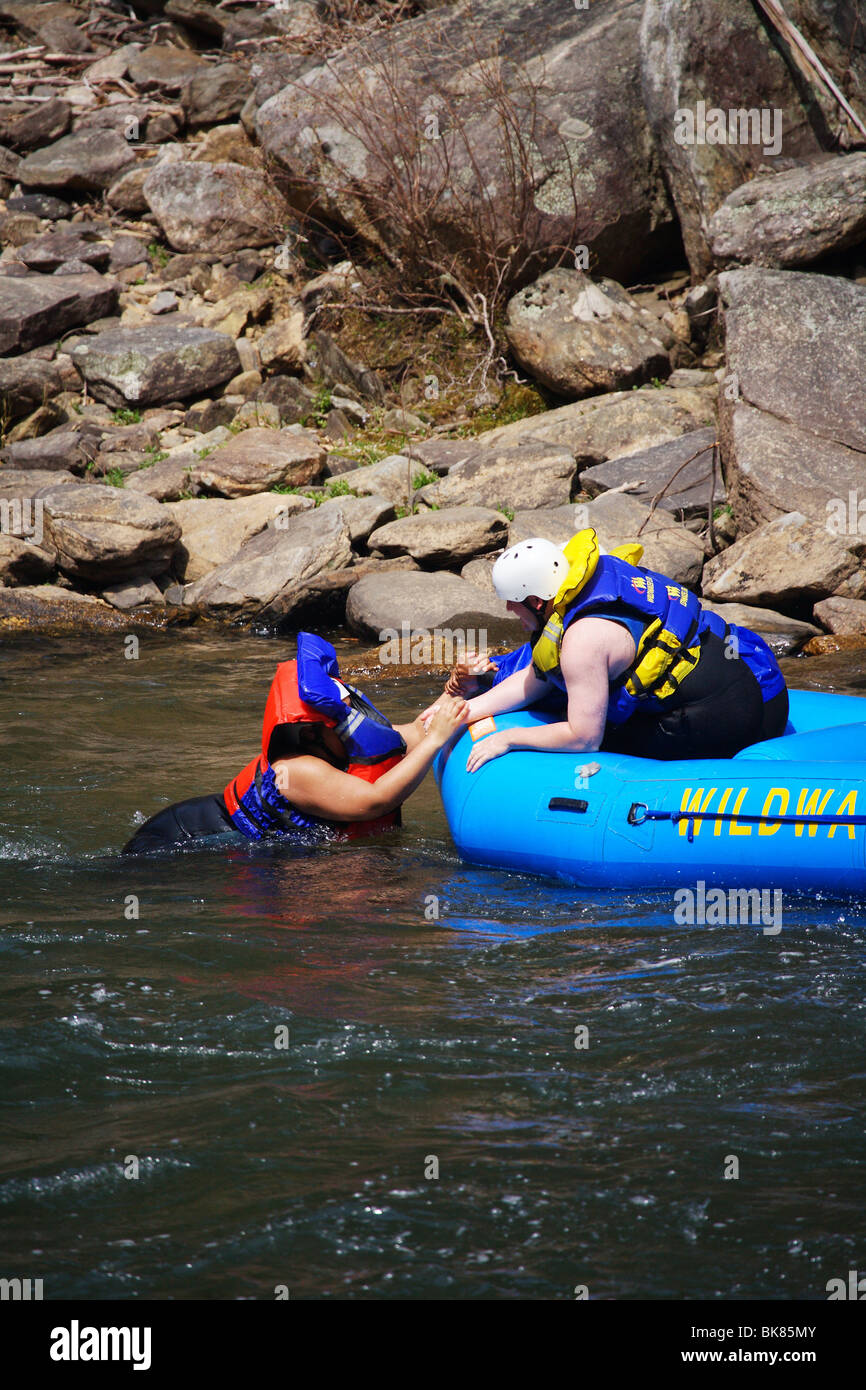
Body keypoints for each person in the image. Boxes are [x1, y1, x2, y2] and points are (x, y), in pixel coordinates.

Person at [442, 528, 788, 772]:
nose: (508, 612)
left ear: (535, 601)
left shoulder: (582, 641)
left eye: (513, 604)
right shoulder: (591, 582)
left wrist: (509, 739)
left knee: (603, 733)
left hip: (726, 722)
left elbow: (584, 739)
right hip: (760, 691)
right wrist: (463, 710)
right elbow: (535, 679)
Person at [123, 632, 467, 854]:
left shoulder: (339, 740)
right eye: (341, 718)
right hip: (181, 840)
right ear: (310, 733)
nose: (352, 720)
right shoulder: (298, 770)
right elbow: (374, 803)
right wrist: (437, 740)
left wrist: (455, 688)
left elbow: (418, 731)